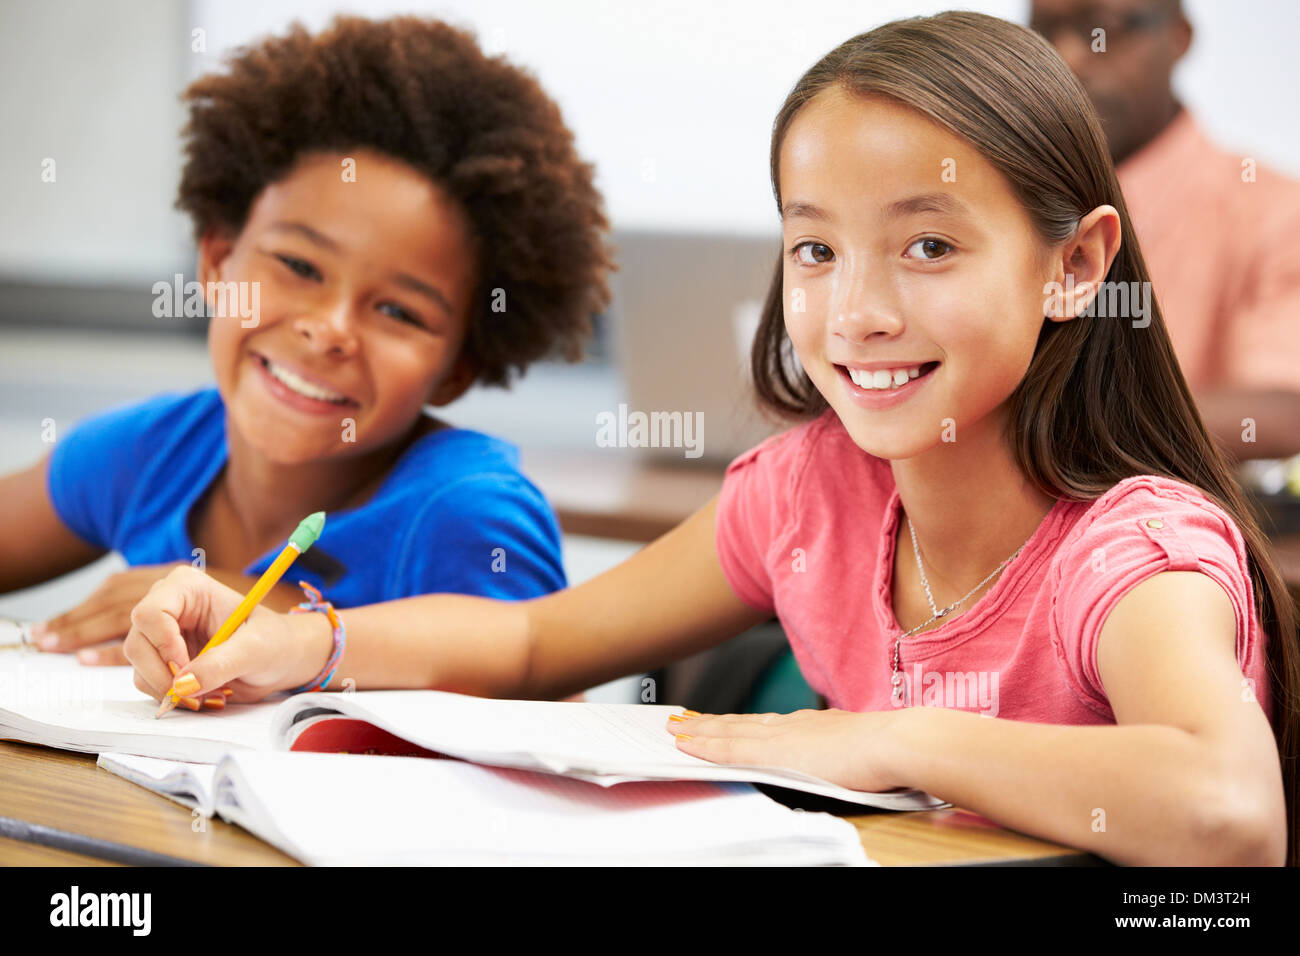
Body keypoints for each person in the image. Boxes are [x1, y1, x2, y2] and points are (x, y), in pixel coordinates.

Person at [123, 12, 1296, 866]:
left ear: (1074, 266)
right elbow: (536, 638)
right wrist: (300, 643)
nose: (857, 310)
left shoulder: (1131, 554)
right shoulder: (815, 496)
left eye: (929, 246)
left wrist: (892, 740)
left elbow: (1228, 805)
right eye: (816, 248)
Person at [0, 16, 611, 663]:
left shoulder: (467, 516)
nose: (330, 329)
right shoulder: (148, 452)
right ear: (217, 262)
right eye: (299, 267)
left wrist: (264, 610)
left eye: (399, 312)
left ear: (458, 368)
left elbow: (545, 726)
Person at [1031, 0, 1300, 461]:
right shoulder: (1003, 200)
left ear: (1179, 38)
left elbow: (1286, 412)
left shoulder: (1274, 210)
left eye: (1105, 28)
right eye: (1044, 31)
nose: (1070, 55)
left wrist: (1059, 420)